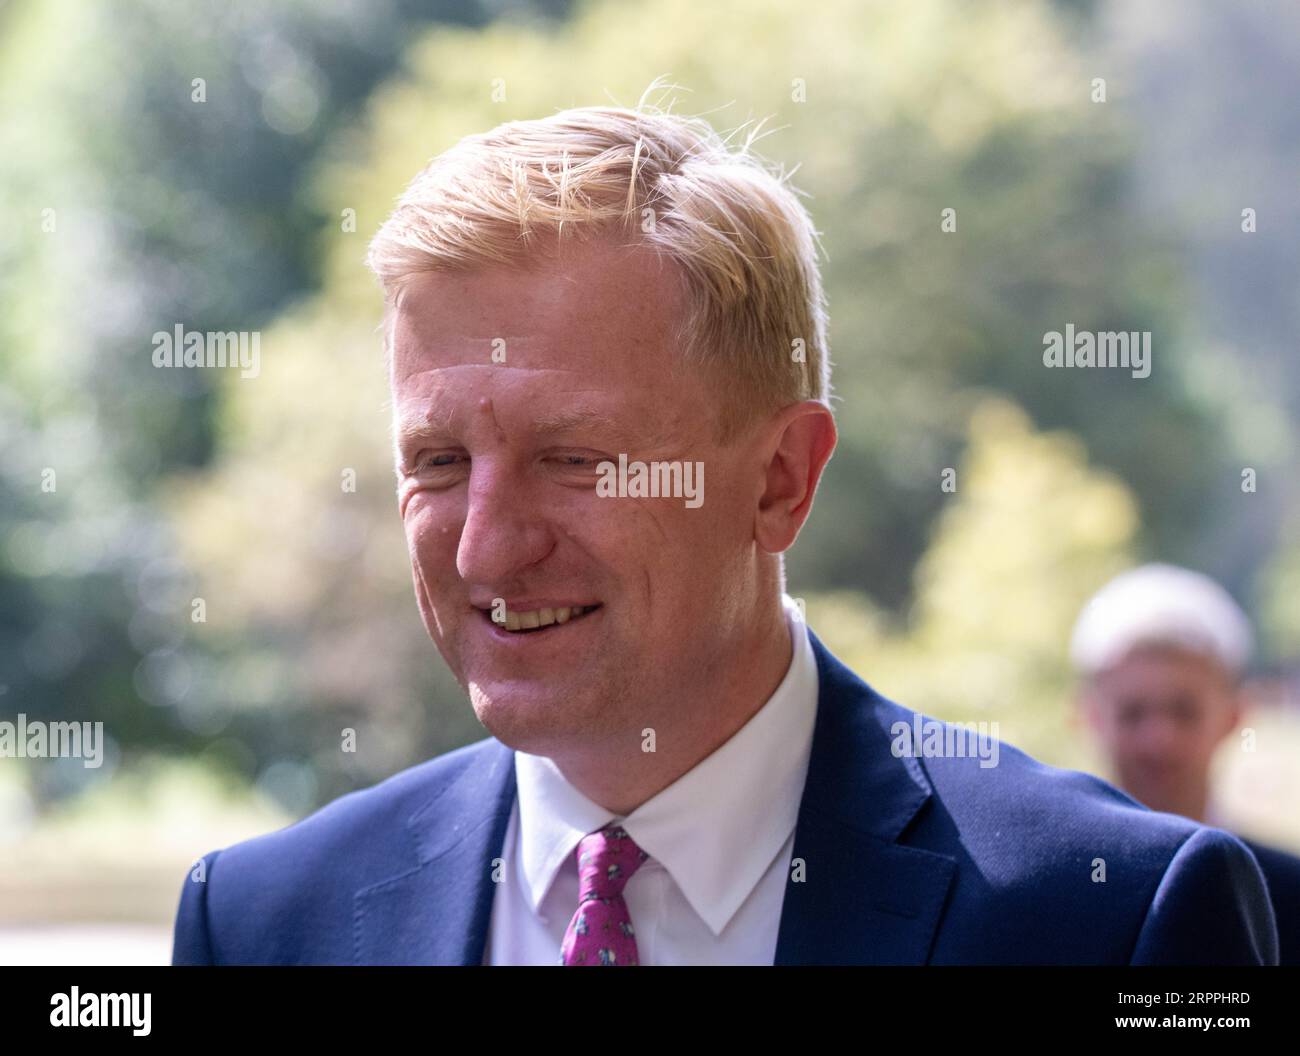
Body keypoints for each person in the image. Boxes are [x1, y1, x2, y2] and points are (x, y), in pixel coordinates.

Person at [172, 101, 1276, 965]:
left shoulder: (1111, 921)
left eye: (575, 460)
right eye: (440, 464)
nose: (484, 551)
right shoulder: (265, 927)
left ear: (781, 482)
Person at [1072, 563, 1300, 965]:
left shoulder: (1285, 894)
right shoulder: (1054, 886)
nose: (1159, 740)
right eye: (1132, 712)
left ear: (1235, 716)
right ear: (1089, 716)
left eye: (1185, 711)